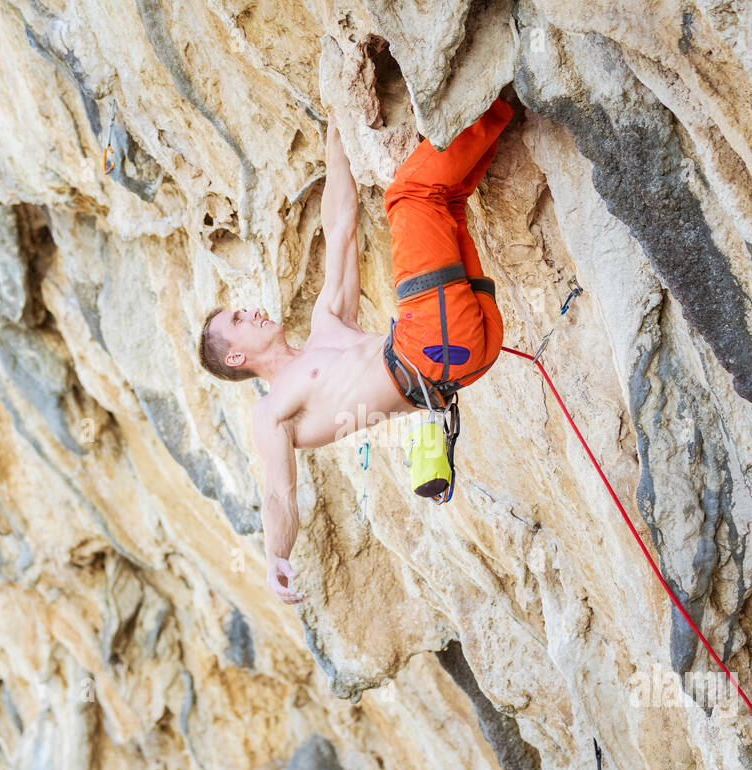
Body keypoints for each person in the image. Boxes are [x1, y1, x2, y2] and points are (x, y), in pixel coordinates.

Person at [197, 96, 514, 604]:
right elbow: (279, 493)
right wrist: (277, 554)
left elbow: (340, 225)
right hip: (432, 348)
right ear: (236, 358)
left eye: (241, 308)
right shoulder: (274, 412)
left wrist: (337, 128)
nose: (252, 311)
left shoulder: (328, 322)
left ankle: (506, 103)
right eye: (239, 320)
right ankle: (497, 90)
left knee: (448, 202)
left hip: (464, 348)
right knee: (411, 194)